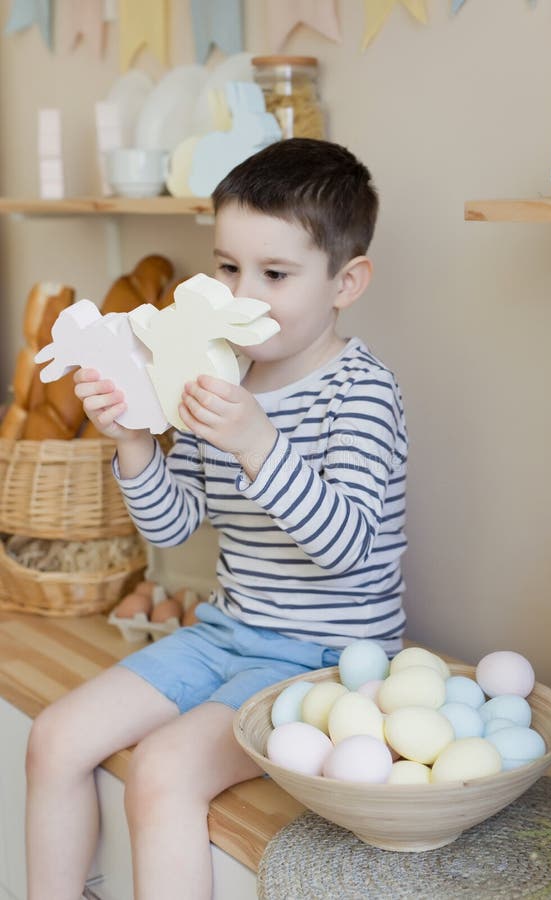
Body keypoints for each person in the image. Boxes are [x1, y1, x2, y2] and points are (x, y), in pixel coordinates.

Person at [25, 138, 408, 900]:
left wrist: (258, 442)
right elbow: (175, 528)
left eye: (275, 274)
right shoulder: (214, 376)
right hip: (227, 632)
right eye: (228, 267)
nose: (241, 293)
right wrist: (136, 442)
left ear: (346, 282)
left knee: (163, 772)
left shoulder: (361, 393)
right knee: (54, 737)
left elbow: (350, 550)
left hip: (328, 659)